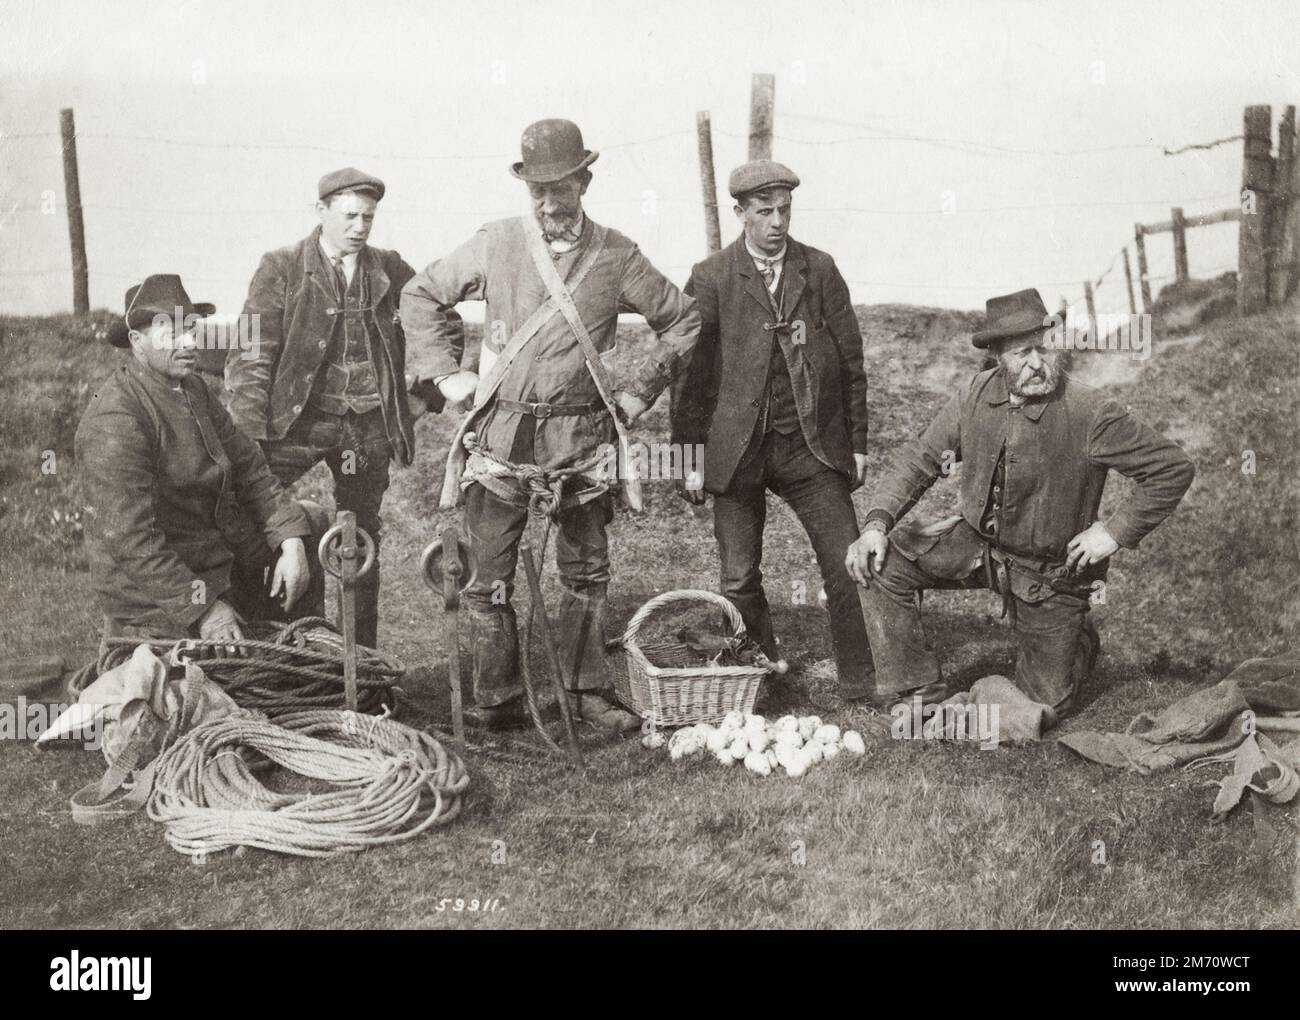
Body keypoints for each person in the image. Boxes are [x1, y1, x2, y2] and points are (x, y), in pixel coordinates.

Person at [401, 118, 700, 731]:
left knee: (587, 574)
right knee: (487, 578)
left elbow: (684, 319)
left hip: (582, 440)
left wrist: (642, 392)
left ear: (584, 181)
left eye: (560, 186)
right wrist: (445, 375)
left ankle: (585, 691)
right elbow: (421, 294)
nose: (547, 201)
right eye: (536, 188)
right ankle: (499, 698)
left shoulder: (618, 255)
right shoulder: (497, 242)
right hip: (501, 438)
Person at [845, 288, 1195, 717]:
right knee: (879, 561)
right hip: (978, 545)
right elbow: (920, 460)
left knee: (1041, 706)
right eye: (1022, 353)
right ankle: (916, 686)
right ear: (995, 356)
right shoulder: (974, 394)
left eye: (1045, 348)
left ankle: (1078, 642)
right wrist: (876, 524)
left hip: (1048, 570)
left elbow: (1172, 468)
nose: (1037, 363)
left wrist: (1113, 532)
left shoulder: (1091, 412)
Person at [670, 159, 874, 702]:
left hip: (809, 443)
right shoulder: (711, 276)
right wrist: (688, 458)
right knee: (738, 577)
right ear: (740, 213)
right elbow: (689, 378)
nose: (777, 222)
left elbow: (852, 359)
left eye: (785, 209)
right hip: (736, 450)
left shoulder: (820, 269)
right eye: (764, 212)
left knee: (847, 559)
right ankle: (760, 678)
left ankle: (862, 677)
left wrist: (857, 444)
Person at [227, 167, 441, 648]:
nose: (360, 227)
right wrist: (246, 436)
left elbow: (435, 323)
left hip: (367, 428)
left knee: (360, 539)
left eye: (368, 217)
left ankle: (359, 664)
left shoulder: (389, 268)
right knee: (251, 512)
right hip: (298, 422)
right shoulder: (280, 267)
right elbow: (252, 352)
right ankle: (267, 642)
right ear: (320, 211)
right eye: (349, 216)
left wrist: (424, 396)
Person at [76, 274, 324, 654]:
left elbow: (250, 468)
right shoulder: (116, 417)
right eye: (171, 332)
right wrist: (204, 608)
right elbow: (132, 540)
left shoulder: (194, 390)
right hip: (160, 596)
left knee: (311, 521)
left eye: (191, 329)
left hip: (218, 560)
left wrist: (290, 541)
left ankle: (306, 657)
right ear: (135, 341)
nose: (190, 342)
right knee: (216, 700)